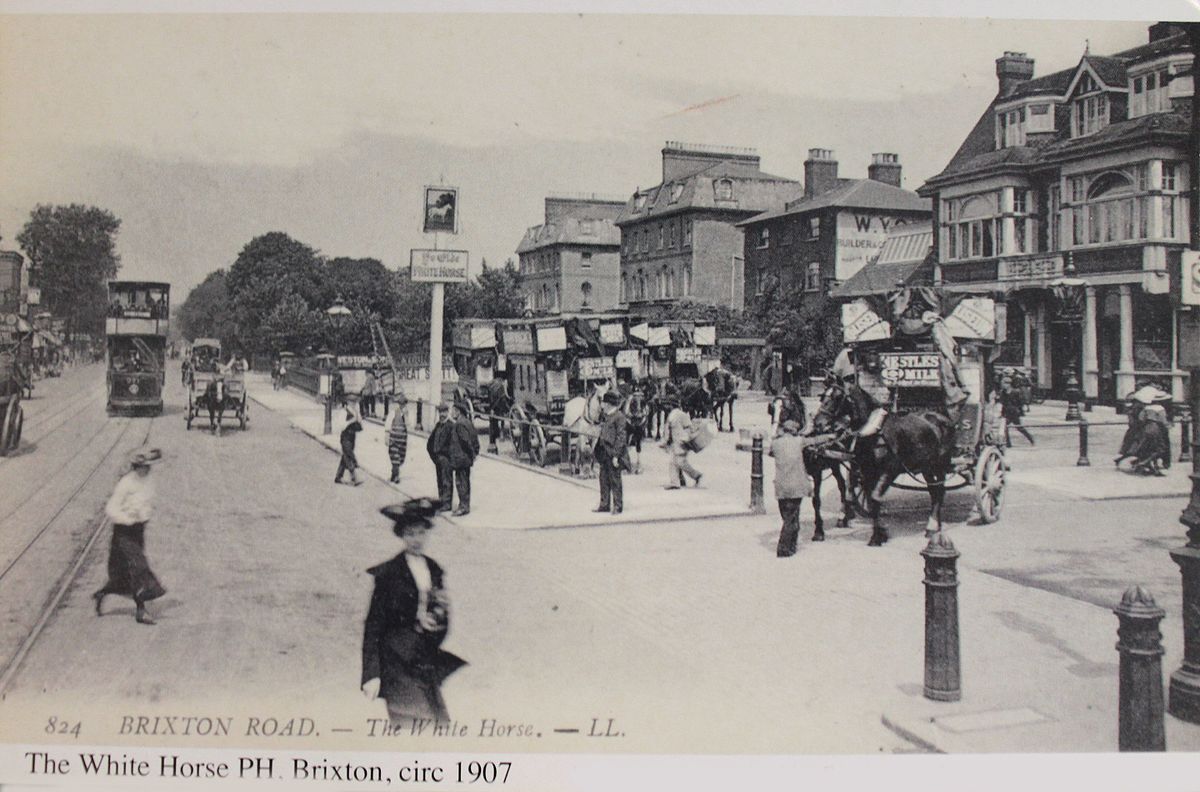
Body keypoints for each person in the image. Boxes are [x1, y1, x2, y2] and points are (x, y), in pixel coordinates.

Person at [361, 498, 466, 728]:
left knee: (440, 725)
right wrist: (371, 674)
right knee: (414, 724)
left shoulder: (433, 569)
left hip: (423, 659)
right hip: (396, 659)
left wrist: (436, 623)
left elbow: (442, 611)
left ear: (427, 533)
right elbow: (373, 626)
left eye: (420, 533)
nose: (416, 540)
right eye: (410, 533)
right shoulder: (389, 574)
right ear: (401, 536)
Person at [93, 448, 167, 625]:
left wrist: (144, 516)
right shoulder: (126, 483)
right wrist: (127, 519)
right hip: (123, 531)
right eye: (144, 467)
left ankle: (102, 594)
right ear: (136, 467)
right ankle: (142, 611)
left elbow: (148, 502)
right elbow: (111, 508)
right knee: (139, 566)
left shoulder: (149, 481)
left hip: (138, 530)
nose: (147, 470)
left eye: (149, 467)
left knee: (125, 574)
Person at [769, 420, 835, 557]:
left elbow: (771, 452)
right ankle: (783, 549)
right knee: (790, 519)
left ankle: (792, 546)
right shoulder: (799, 441)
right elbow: (815, 440)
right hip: (797, 487)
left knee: (787, 517)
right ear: (794, 431)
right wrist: (830, 436)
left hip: (781, 488)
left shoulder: (775, 444)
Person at [1116, 385, 1173, 476]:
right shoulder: (1161, 409)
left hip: (1146, 429)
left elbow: (1141, 418)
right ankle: (1144, 463)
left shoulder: (1146, 408)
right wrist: (1167, 426)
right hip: (1156, 429)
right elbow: (1163, 421)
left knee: (1148, 448)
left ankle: (1152, 467)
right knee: (1159, 448)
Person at [593, 390, 631, 514]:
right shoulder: (607, 416)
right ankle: (604, 504)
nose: (602, 405)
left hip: (613, 453)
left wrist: (616, 455)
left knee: (615, 479)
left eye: (603, 402)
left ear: (608, 404)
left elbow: (621, 438)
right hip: (604, 452)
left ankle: (617, 506)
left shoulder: (619, 417)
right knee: (603, 478)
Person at [446, 402, 479, 516]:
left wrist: (472, 453)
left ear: (458, 411)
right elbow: (474, 439)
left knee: (461, 483)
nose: (451, 413)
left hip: (461, 459)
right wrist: (475, 452)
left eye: (453, 411)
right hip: (465, 458)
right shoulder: (468, 422)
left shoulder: (459, 424)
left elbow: (466, 441)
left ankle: (463, 506)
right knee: (464, 481)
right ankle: (464, 505)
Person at [661, 396, 701, 489]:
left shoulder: (679, 415)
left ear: (671, 405)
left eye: (667, 405)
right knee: (675, 462)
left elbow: (689, 427)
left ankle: (695, 476)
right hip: (677, 442)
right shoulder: (675, 415)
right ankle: (676, 482)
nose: (665, 407)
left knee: (680, 462)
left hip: (681, 442)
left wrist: (686, 439)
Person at [1000, 375, 1034, 447]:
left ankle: (1031, 439)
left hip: (1014, 412)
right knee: (1005, 428)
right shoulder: (1003, 393)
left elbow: (1020, 403)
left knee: (1019, 428)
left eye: (1004, 384)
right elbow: (1003, 404)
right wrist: (1002, 414)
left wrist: (1020, 411)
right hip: (1007, 413)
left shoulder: (1015, 392)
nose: (1003, 385)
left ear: (1009, 384)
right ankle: (1008, 444)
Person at [335, 409, 364, 486]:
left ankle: (338, 476)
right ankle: (354, 477)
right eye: (351, 401)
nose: (354, 403)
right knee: (349, 456)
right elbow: (342, 426)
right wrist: (351, 420)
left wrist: (358, 419)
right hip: (345, 437)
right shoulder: (343, 412)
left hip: (352, 437)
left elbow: (360, 425)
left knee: (345, 456)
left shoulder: (356, 411)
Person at [388, 393, 409, 484]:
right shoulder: (394, 412)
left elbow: (408, 425)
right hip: (393, 438)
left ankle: (393, 474)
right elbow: (388, 423)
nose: (402, 405)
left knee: (401, 457)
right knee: (394, 456)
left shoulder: (407, 414)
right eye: (401, 404)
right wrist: (386, 435)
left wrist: (406, 416)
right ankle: (396, 476)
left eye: (404, 404)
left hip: (402, 439)